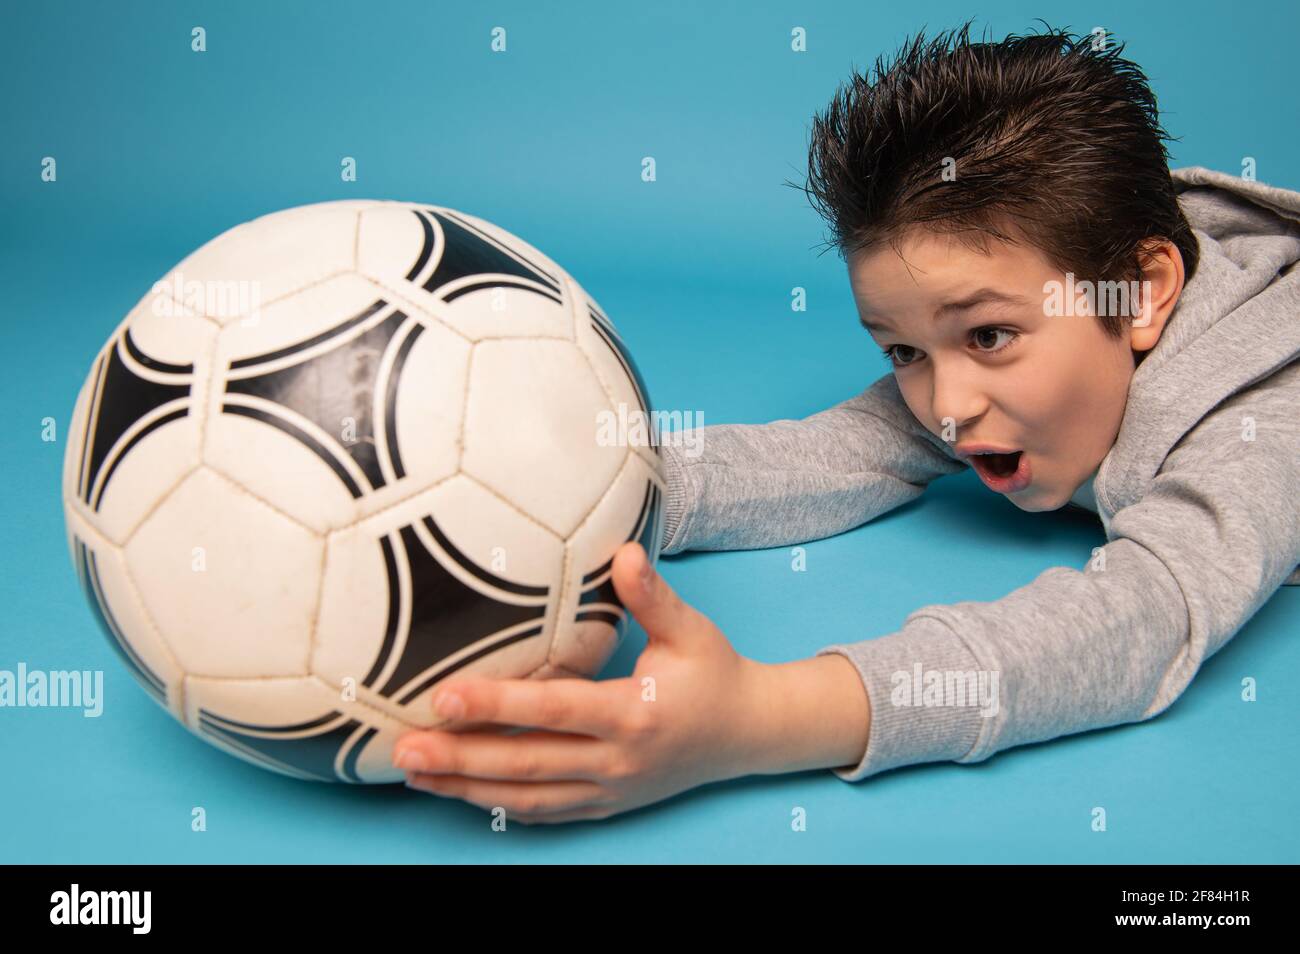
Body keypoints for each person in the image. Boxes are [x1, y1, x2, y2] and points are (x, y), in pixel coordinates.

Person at [393, 22, 1300, 824]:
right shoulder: (1026, 336)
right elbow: (839, 450)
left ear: (1141, 295)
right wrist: (550, 486)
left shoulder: (1267, 417)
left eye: (989, 335)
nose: (946, 410)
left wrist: (753, 719)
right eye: (904, 352)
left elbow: (1139, 621)